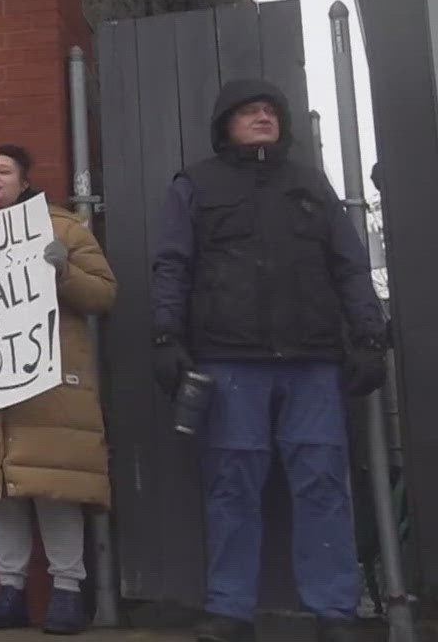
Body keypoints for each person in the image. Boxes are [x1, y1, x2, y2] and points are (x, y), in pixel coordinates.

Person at [151, 83, 387, 642]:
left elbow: (350, 265)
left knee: (324, 484)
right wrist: (165, 337)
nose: (262, 117)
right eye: (249, 111)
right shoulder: (195, 185)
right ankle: (230, 611)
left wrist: (370, 337)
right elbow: (172, 264)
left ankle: (336, 613)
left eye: (269, 111)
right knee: (231, 486)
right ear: (224, 123)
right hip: (229, 363)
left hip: (314, 362)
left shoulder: (311, 183)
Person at [0, 146, 115, 636]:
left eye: (2, 171)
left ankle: (67, 590)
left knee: (54, 484)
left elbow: (104, 293)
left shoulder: (62, 228)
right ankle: (10, 588)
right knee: (2, 488)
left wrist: (63, 270)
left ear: (26, 183)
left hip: (51, 384)